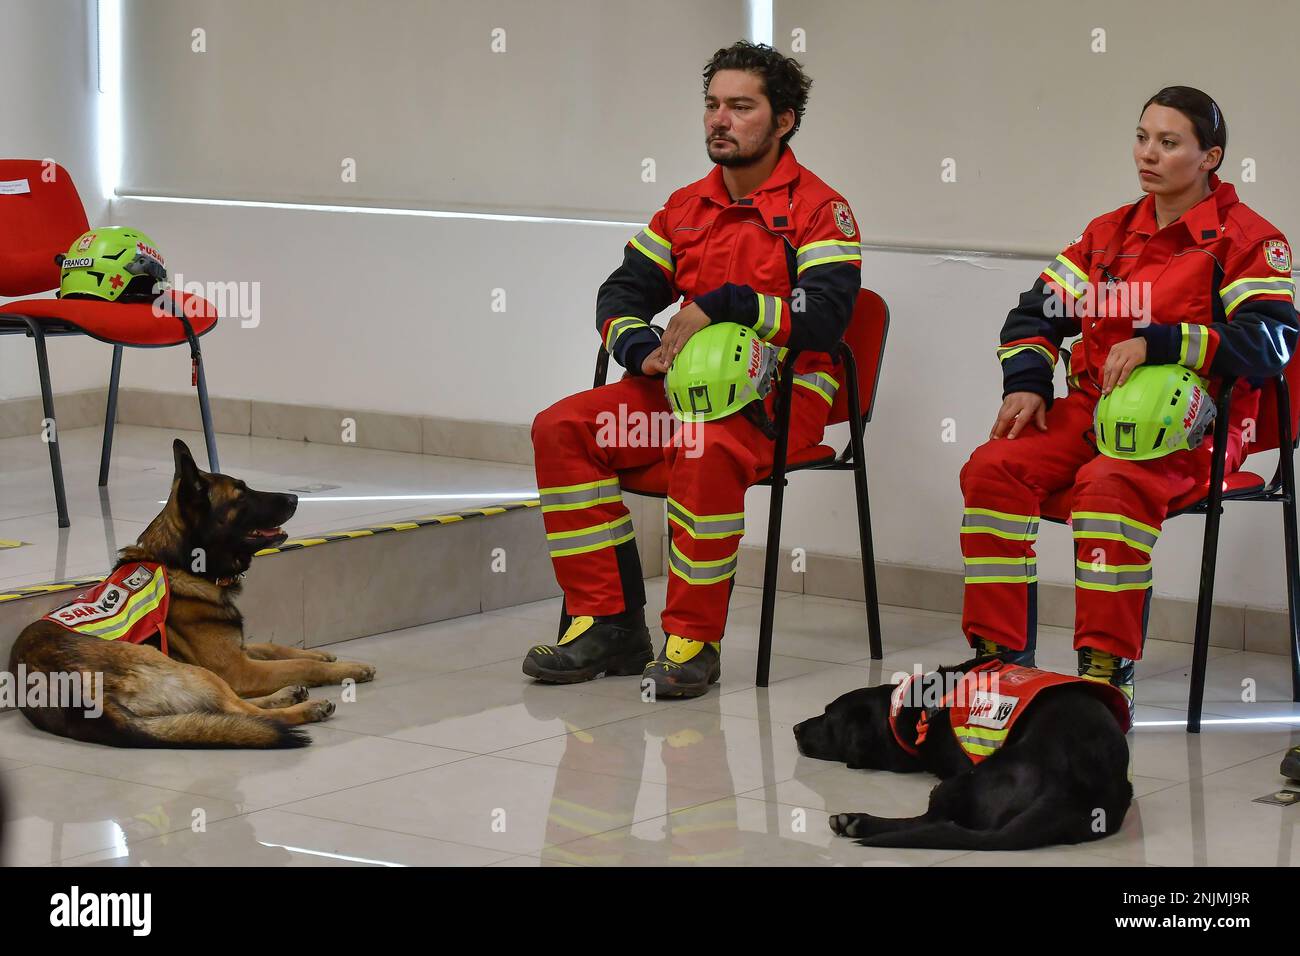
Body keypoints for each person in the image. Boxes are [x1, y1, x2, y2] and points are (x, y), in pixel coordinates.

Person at [523, 40, 862, 699]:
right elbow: (621, 292)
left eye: (741, 106)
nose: (720, 119)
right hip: (678, 397)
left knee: (704, 450)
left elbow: (826, 316)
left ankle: (692, 642)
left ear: (783, 120)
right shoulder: (685, 207)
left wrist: (727, 303)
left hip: (778, 405)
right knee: (560, 428)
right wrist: (635, 347)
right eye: (713, 105)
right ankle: (609, 622)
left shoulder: (823, 209)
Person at [960, 86, 1298, 718]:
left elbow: (1270, 342)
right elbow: (1034, 313)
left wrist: (1163, 343)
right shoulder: (1107, 233)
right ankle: (998, 661)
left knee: (1108, 487)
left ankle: (1105, 673)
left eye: (1169, 143)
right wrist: (1028, 383)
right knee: (991, 468)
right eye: (1143, 137)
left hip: (1196, 428)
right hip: (1093, 409)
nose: (1148, 154)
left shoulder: (1247, 240)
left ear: (1210, 158)